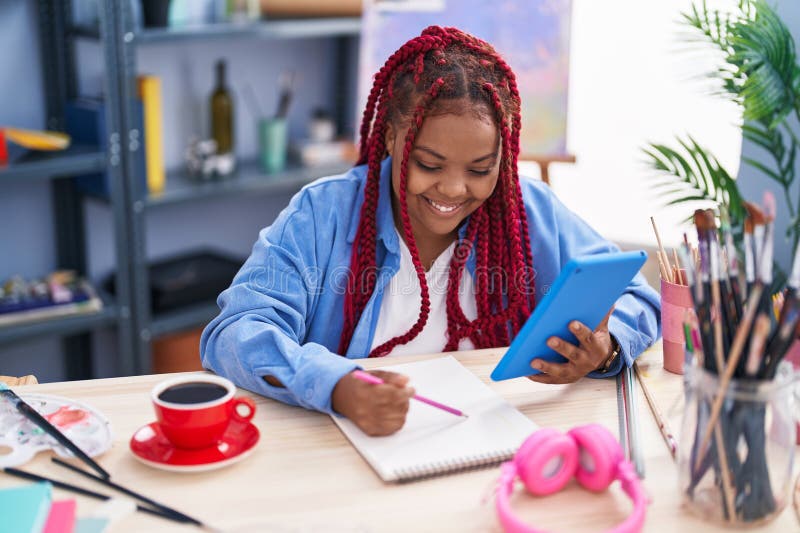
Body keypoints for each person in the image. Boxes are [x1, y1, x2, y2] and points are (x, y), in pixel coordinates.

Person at [201, 26, 660, 437]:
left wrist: (604, 349)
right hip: (349, 453)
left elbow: (635, 295)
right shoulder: (322, 215)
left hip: (493, 446)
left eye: (481, 169)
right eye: (428, 164)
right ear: (390, 139)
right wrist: (335, 385)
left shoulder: (527, 211)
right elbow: (236, 332)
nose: (454, 189)